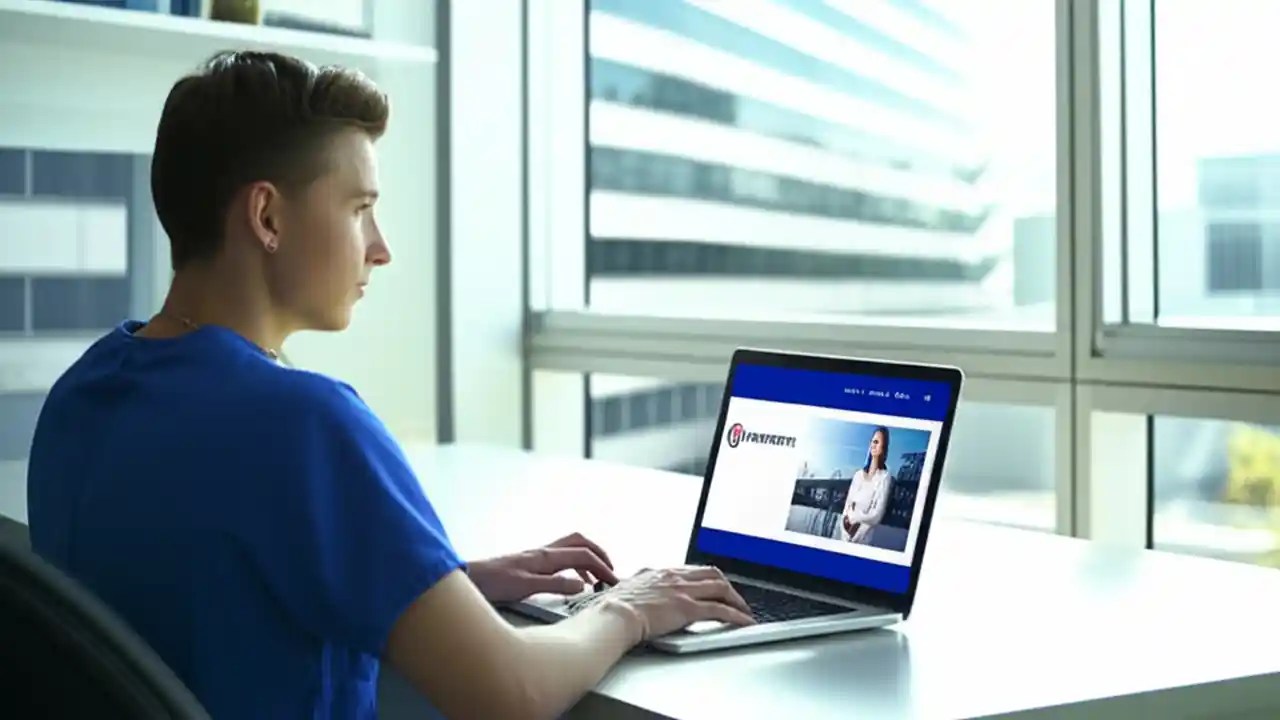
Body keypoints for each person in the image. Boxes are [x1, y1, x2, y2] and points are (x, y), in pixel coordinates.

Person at [24, 51, 752, 720]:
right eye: (358, 207)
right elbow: (512, 694)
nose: (380, 246)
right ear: (267, 216)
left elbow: (195, 580)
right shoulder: (302, 423)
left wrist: (433, 583)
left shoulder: (83, 393)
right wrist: (629, 608)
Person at [840, 427, 893, 545]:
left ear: (883, 447)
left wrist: (856, 522)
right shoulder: (858, 475)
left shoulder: (884, 477)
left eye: (878, 442)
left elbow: (876, 516)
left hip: (862, 540)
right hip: (844, 536)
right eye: (873, 441)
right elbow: (847, 507)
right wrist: (845, 529)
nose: (874, 445)